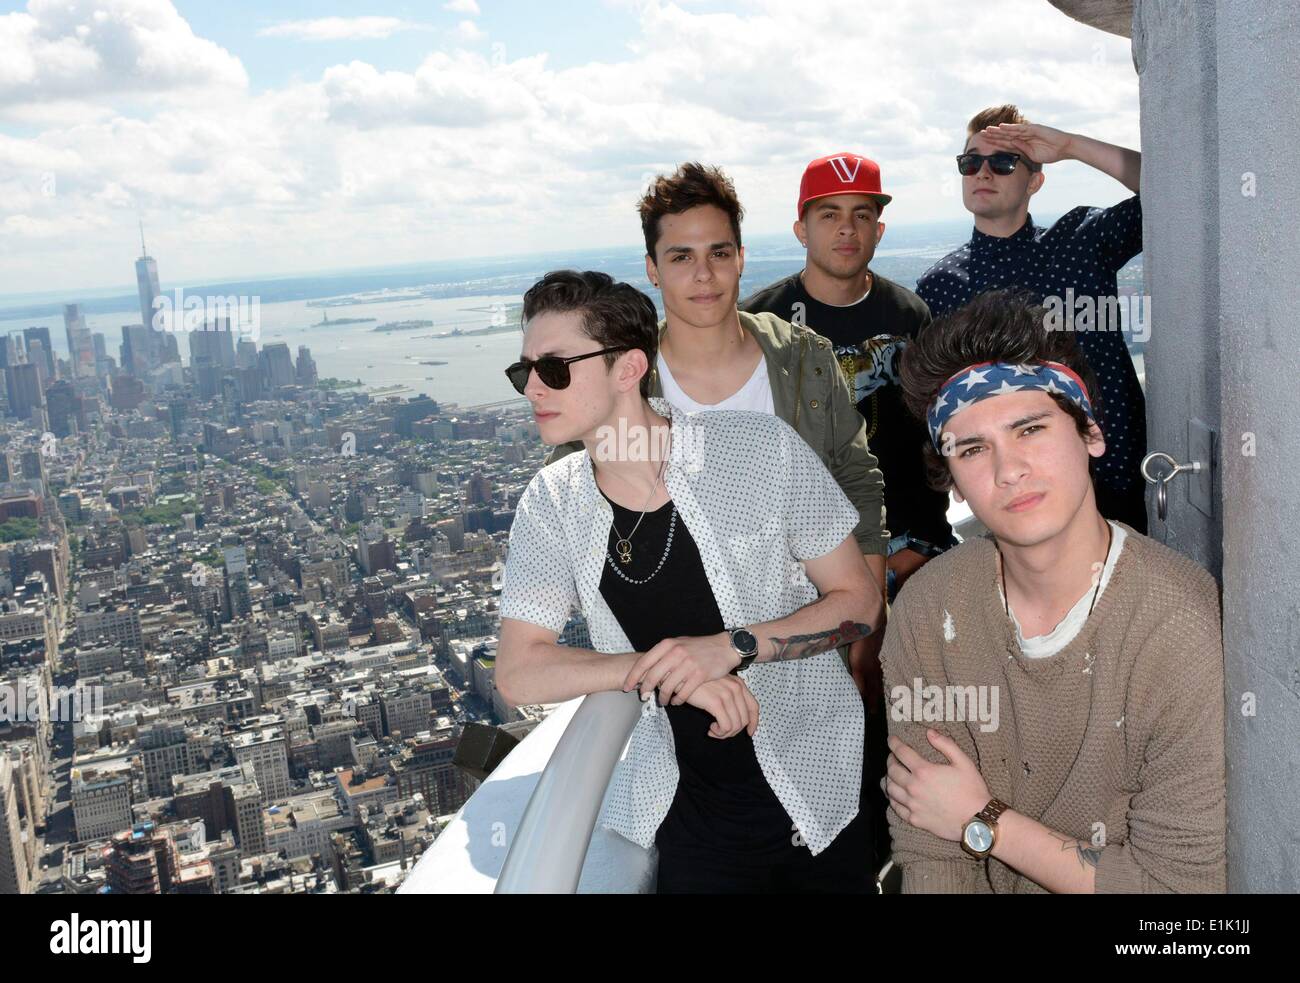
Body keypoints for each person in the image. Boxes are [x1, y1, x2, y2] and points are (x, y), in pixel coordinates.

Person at [497, 269, 880, 893]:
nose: (533, 388)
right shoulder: (552, 504)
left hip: (818, 788)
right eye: (525, 372)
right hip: (686, 815)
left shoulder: (759, 450)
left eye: (555, 368)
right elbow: (519, 671)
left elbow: (860, 604)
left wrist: (732, 647)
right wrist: (659, 668)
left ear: (627, 369)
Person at [881, 289, 1226, 893]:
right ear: (952, 479)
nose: (1007, 470)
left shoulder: (1178, 625)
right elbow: (928, 848)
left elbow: (1179, 908)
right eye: (972, 448)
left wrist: (986, 821)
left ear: (1090, 433)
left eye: (1030, 429)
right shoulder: (928, 609)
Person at [547, 161, 889, 694]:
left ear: (741, 258)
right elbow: (571, 506)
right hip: (672, 667)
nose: (703, 275)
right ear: (652, 268)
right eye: (681, 256)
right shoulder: (618, 382)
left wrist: (865, 626)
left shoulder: (803, 360)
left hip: (803, 653)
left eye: (719, 253)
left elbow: (857, 483)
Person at [741, 151, 952, 875]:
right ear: (801, 226)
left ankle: (904, 842)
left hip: (907, 536)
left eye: (863, 214)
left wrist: (921, 539)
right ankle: (840, 841)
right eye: (829, 214)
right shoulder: (763, 321)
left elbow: (931, 435)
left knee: (907, 687)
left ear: (880, 228)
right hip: (802, 549)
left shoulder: (908, 313)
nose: (847, 229)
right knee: (828, 691)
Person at [916, 104, 1148, 533]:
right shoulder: (940, 285)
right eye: (971, 162)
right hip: (1018, 493)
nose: (983, 173)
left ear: (1035, 181)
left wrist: (1070, 145)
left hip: (1119, 483)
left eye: (1003, 163)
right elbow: (940, 398)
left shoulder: (1081, 241)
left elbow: (1174, 187)